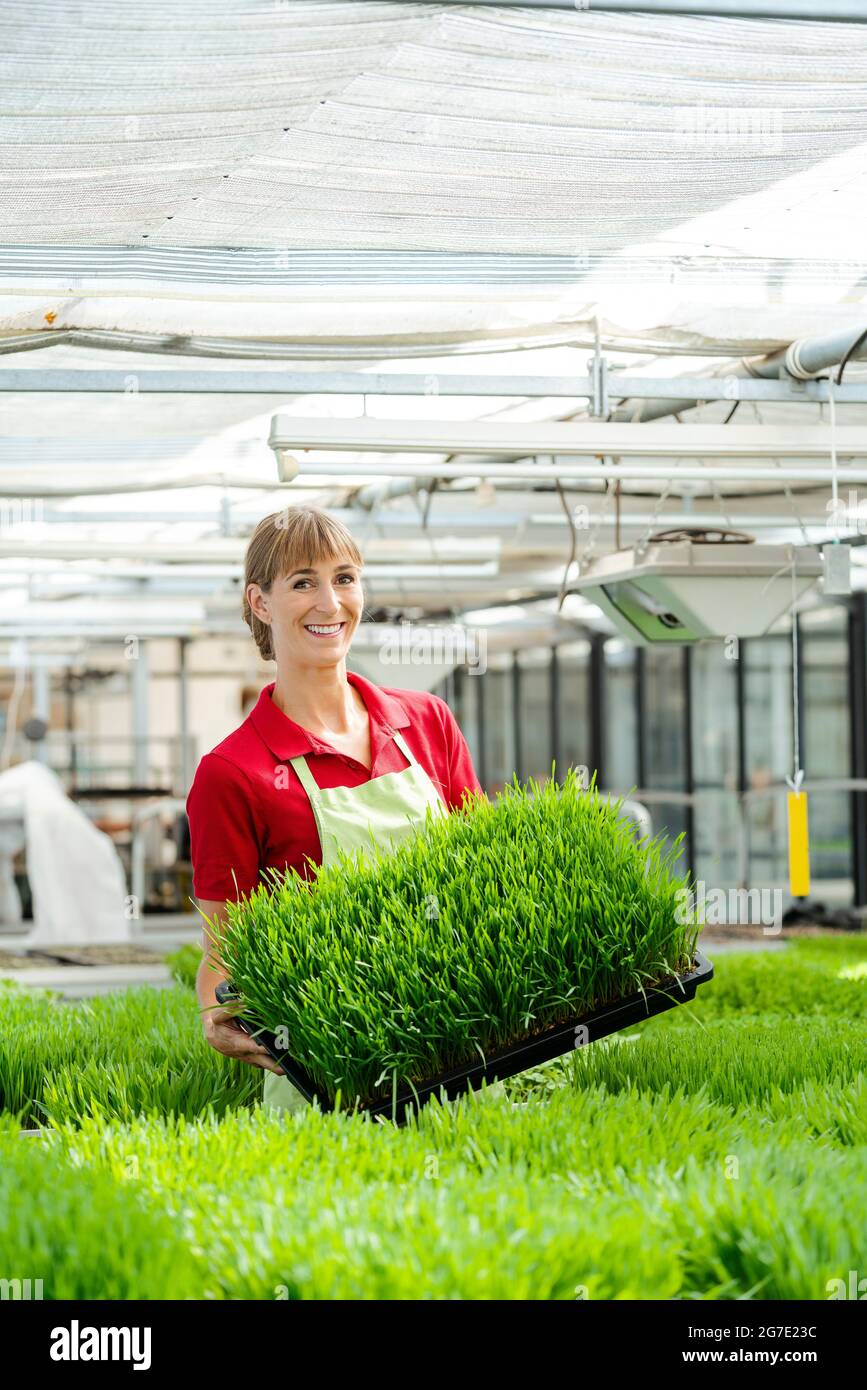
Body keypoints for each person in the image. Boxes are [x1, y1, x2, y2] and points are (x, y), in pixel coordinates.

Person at [187, 505, 483, 1113]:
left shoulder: (426, 723)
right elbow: (226, 947)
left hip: (465, 1051)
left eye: (345, 578)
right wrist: (215, 1009)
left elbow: (487, 881)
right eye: (303, 582)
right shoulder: (232, 772)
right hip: (328, 1079)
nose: (330, 602)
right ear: (261, 603)